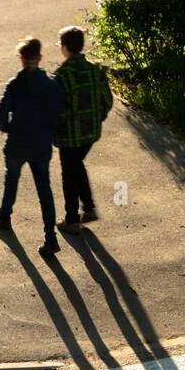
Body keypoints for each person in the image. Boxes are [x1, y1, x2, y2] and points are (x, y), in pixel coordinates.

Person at [0, 36, 63, 258]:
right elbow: (58, 114)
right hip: (41, 145)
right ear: (40, 58)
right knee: (44, 190)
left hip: (17, 143)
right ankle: (50, 238)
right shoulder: (51, 86)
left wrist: (7, 127)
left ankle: (4, 214)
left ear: (21, 59)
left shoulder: (15, 85)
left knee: (11, 178)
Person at [52, 25, 113, 233]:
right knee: (76, 165)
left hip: (70, 135)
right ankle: (88, 207)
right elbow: (107, 100)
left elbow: (58, 110)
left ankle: (71, 219)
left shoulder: (62, 75)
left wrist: (53, 131)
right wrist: (98, 117)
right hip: (92, 132)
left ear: (65, 47)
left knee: (69, 173)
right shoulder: (95, 70)